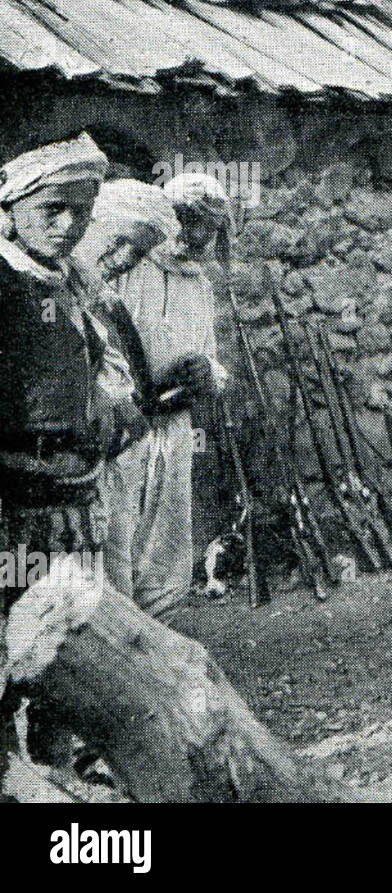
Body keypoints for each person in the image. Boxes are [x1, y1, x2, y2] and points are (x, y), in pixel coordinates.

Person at [0, 133, 133, 788]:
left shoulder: (74, 277)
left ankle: (59, 767)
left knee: (66, 642)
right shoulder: (3, 282)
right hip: (12, 500)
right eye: (52, 207)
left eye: (82, 209)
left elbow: (100, 362)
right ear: (13, 203)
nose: (68, 224)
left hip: (75, 494)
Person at [113, 172, 230, 625]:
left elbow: (210, 358)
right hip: (127, 426)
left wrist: (206, 373)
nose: (197, 236)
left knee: (166, 535)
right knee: (121, 531)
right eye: (188, 221)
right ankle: (120, 642)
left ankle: (160, 631)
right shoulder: (129, 267)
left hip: (176, 425)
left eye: (208, 227)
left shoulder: (198, 282)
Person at [73, 180, 181, 606]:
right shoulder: (39, 289)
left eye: (134, 254)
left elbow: (135, 381)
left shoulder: (109, 303)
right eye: (116, 242)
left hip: (112, 458)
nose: (120, 260)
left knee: (115, 561)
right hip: (67, 462)